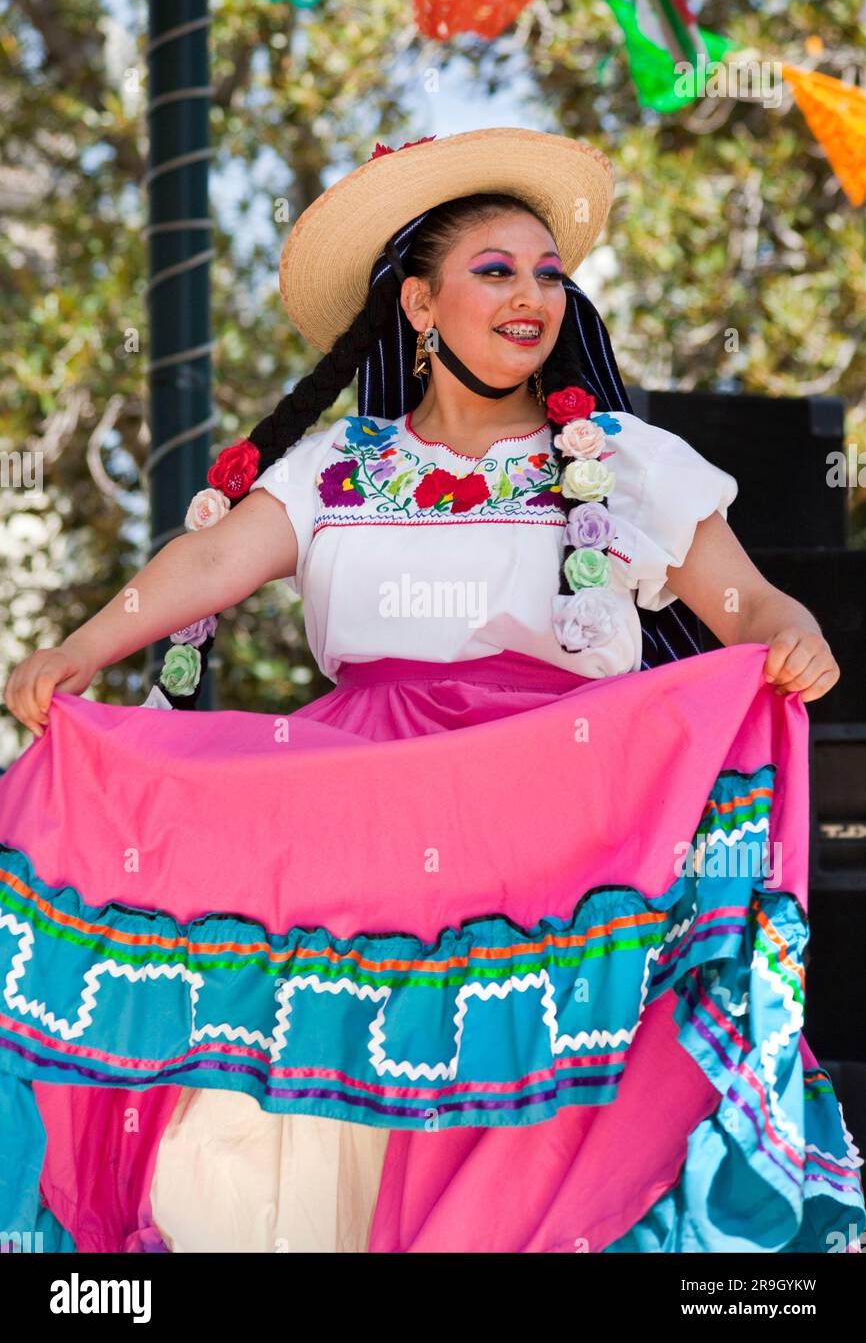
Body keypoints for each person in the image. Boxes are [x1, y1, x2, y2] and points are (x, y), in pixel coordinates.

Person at [1, 128, 863, 1255]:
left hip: (557, 807)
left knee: (538, 1104)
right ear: (417, 304)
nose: (532, 295)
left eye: (549, 272)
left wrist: (793, 630)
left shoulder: (622, 460)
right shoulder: (335, 469)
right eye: (495, 269)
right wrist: (77, 649)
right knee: (303, 1102)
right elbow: (208, 562)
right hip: (360, 803)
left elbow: (742, 604)